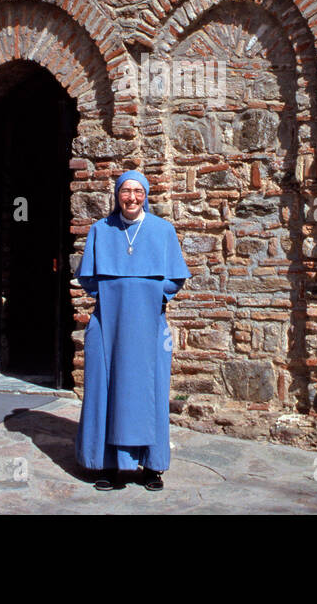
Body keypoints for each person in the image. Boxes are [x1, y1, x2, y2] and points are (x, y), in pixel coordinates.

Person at [74, 169, 190, 491]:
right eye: (126, 191)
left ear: (146, 195)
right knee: (104, 390)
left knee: (149, 390)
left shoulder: (162, 231)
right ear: (117, 195)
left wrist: (148, 295)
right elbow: (88, 278)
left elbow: (176, 278)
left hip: (149, 325)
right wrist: (113, 295)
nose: (132, 198)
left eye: (138, 192)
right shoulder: (101, 230)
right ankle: (108, 466)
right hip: (107, 325)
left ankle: (150, 467)